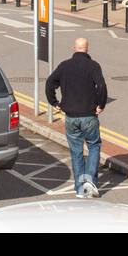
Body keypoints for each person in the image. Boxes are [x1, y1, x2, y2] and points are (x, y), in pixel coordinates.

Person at [45, 38, 109, 198]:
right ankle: (90, 182)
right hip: (89, 115)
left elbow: (49, 83)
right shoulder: (93, 66)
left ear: (74, 48)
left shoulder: (64, 66)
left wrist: (54, 103)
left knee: (76, 151)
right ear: (87, 49)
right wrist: (101, 105)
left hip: (71, 117)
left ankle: (81, 188)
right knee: (94, 145)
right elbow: (101, 85)